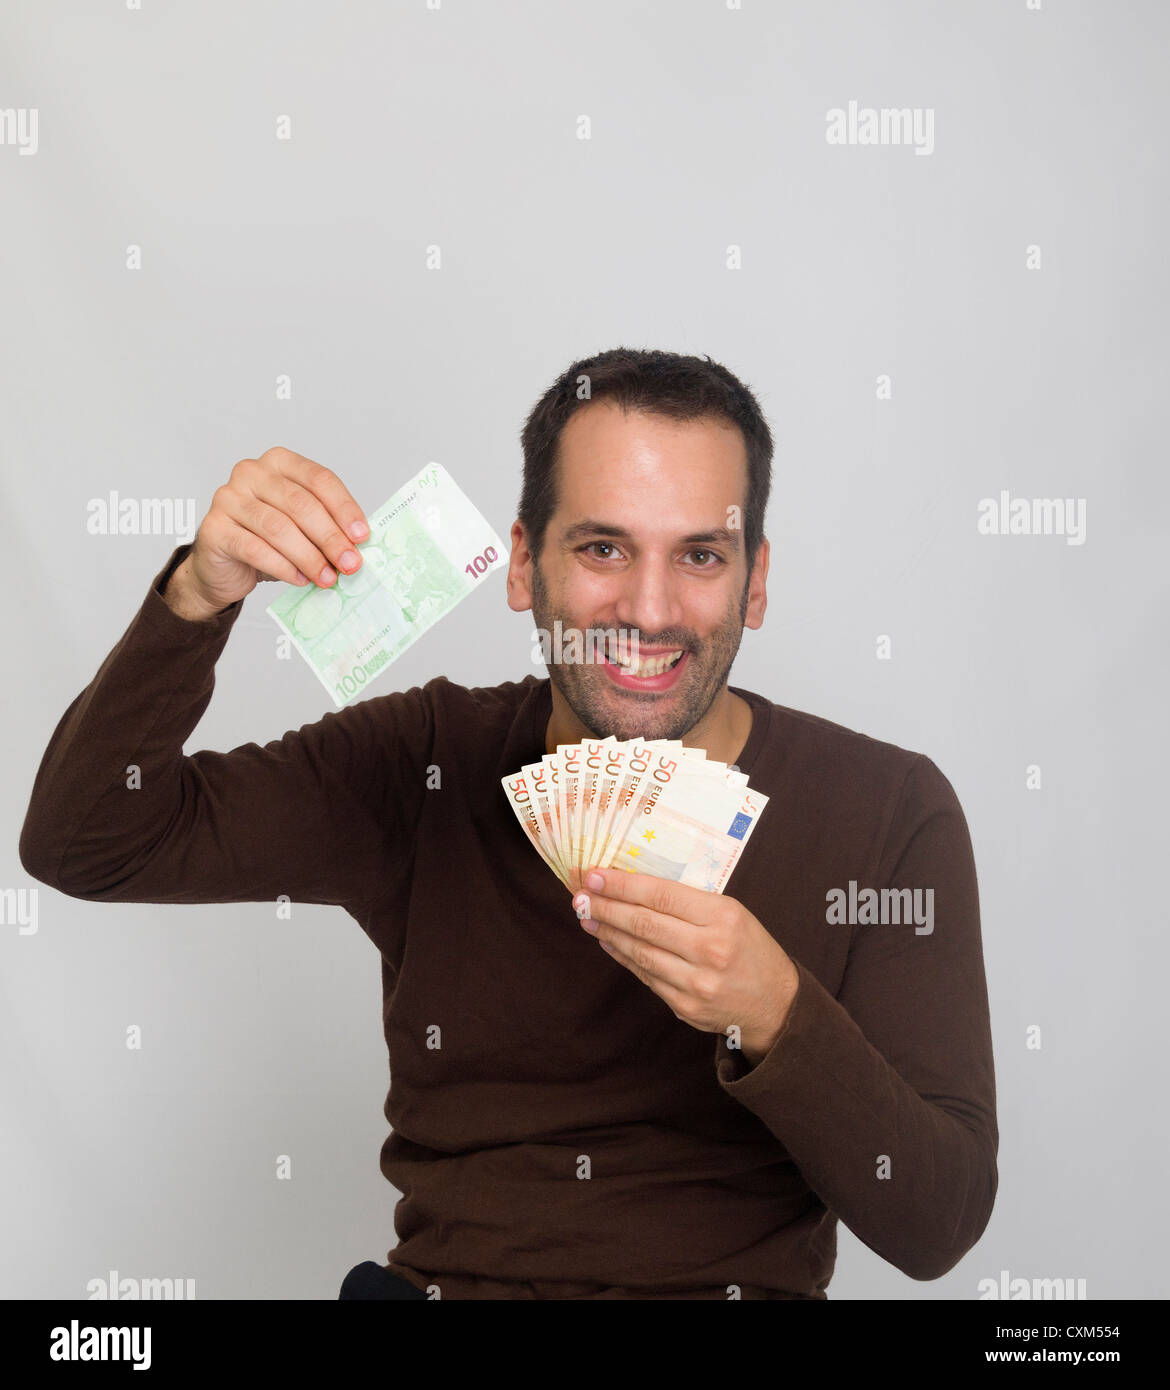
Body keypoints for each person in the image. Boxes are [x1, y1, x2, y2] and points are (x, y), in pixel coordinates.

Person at [19, 347, 997, 1300]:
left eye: (700, 554)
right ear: (524, 564)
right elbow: (88, 837)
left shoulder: (888, 811)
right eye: (602, 547)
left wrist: (777, 1010)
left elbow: (937, 1225)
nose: (648, 610)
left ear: (757, 580)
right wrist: (197, 595)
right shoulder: (423, 760)